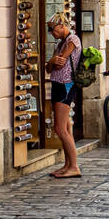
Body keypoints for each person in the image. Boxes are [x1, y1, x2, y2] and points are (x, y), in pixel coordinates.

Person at [45, 12, 82, 179]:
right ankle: (67, 164)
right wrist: (51, 61)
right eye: (49, 30)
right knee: (65, 127)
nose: (52, 33)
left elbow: (59, 62)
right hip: (57, 84)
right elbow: (49, 67)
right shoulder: (60, 44)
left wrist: (52, 61)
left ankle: (74, 166)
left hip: (66, 85)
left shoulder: (72, 40)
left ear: (62, 25)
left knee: (59, 128)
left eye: (53, 29)